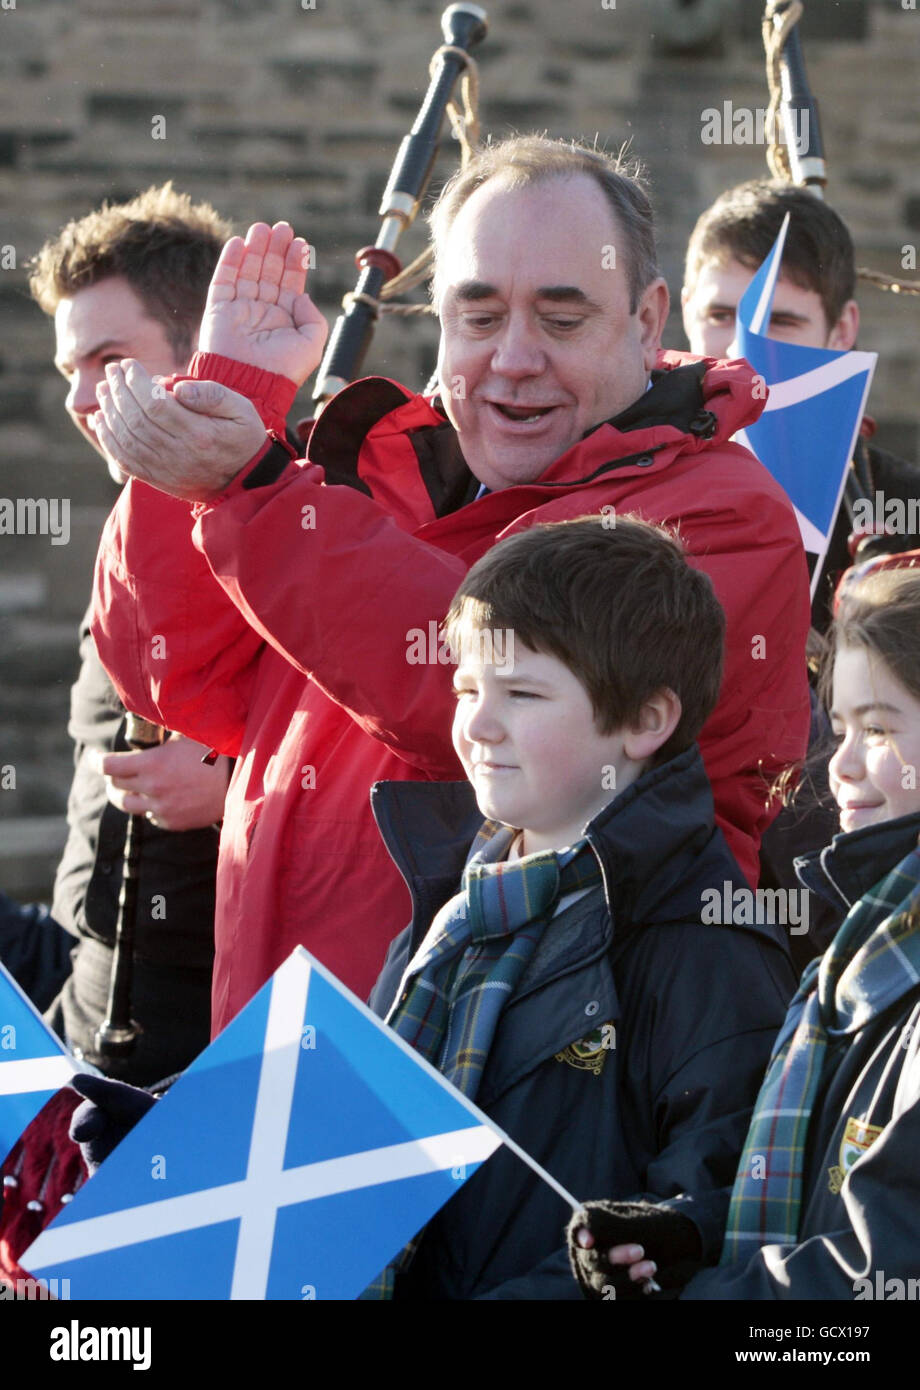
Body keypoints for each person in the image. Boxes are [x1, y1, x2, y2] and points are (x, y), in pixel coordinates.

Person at [88, 135, 811, 1039]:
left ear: (645, 316)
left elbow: (484, 695)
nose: (513, 358)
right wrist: (226, 401)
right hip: (278, 1062)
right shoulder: (366, 475)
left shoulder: (719, 512)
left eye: (561, 317)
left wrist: (252, 490)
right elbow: (173, 675)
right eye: (478, 315)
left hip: (528, 1091)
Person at [71, 515, 799, 1301]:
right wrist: (182, 1148)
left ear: (644, 721)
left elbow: (702, 1218)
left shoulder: (703, 943)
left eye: (522, 694)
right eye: (465, 688)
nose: (478, 725)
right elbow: (361, 1137)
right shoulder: (455, 894)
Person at [568, 552, 920, 1300]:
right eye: (839, 729)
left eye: (880, 731)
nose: (842, 767)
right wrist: (689, 1238)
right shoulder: (863, 940)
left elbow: (885, 1272)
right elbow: (821, 1180)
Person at [0, 186, 233, 1289]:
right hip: (82, 1060)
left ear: (197, 349)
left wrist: (242, 781)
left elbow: (428, 757)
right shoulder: (114, 554)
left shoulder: (306, 521)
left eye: (110, 359)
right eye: (67, 374)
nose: (84, 400)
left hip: (219, 1103)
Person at [681, 178, 920, 627]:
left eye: (782, 321)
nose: (740, 350)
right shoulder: (628, 485)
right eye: (720, 316)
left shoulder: (906, 508)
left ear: (842, 331)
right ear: (686, 309)